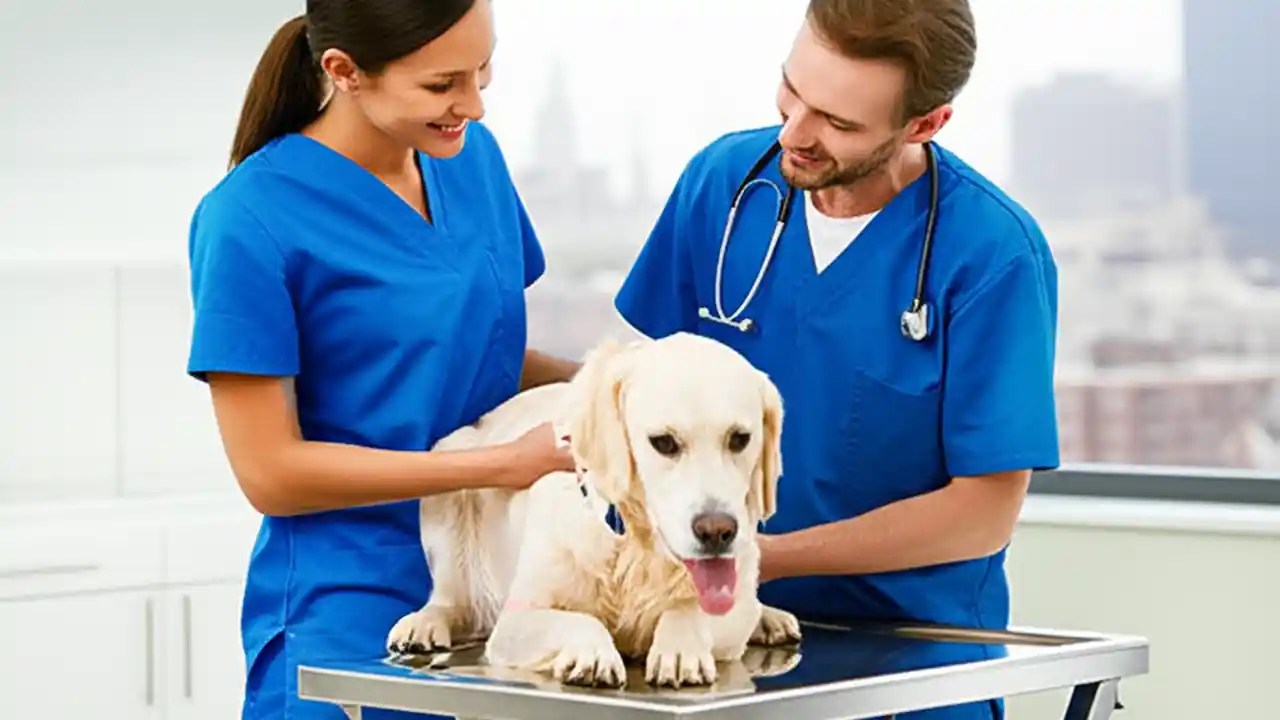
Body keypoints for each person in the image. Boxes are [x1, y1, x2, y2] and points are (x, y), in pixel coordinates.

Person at [613, 1, 1058, 718]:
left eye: (838, 123)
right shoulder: (724, 187)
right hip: (714, 655)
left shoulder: (992, 255)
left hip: (911, 662)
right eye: (792, 90)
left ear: (925, 124)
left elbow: (983, 513)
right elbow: (635, 397)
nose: (795, 132)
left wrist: (760, 556)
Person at [184, 2, 579, 718]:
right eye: (442, 84)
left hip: (498, 591)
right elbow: (271, 472)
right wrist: (497, 465)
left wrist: (615, 387)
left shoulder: (471, 160)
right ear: (344, 71)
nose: (474, 105)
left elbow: (476, 351)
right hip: (353, 612)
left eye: (483, 70)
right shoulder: (250, 217)